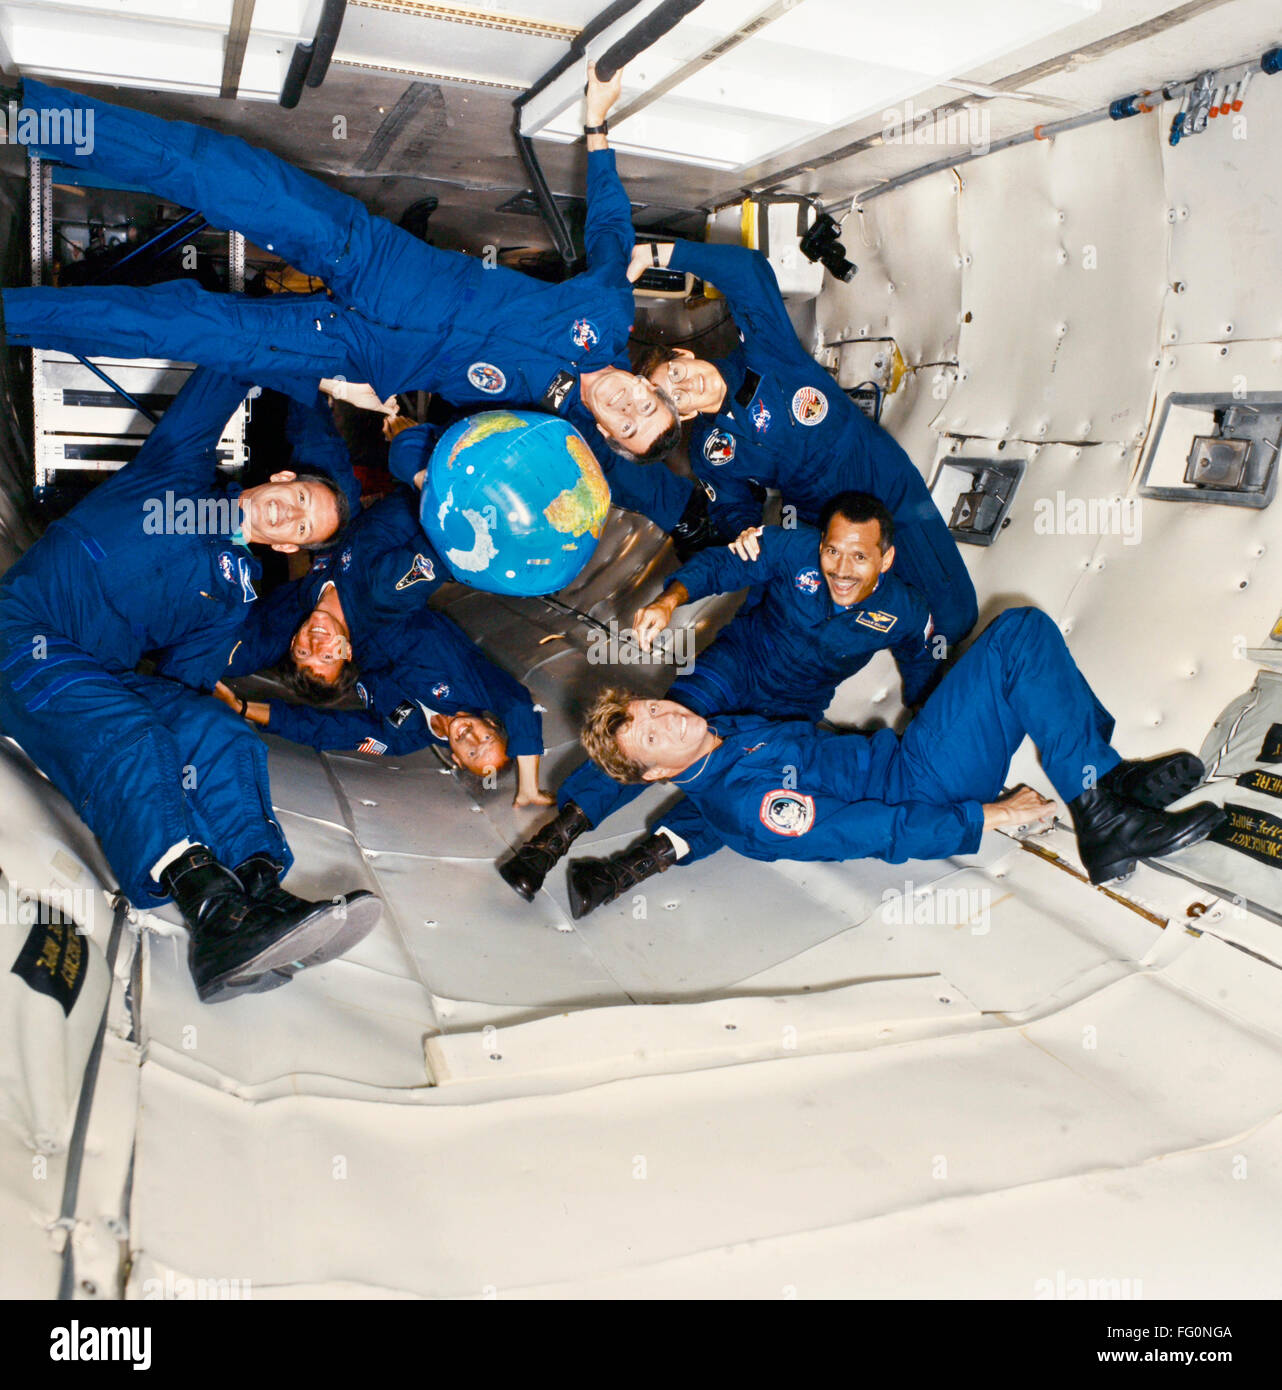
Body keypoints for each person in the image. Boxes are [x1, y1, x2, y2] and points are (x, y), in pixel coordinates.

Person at [1, 68, 685, 483]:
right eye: (648, 406)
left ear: (609, 439)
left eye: (629, 428)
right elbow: (611, 233)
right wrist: (598, 124)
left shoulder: (540, 438)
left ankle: (10, 316)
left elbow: (432, 457)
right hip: (384, 265)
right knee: (222, 172)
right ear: (653, 387)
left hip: (350, 352)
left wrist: (399, 442)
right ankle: (26, 114)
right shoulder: (610, 314)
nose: (631, 409)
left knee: (177, 328)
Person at [0, 369, 380, 1003]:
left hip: (95, 677)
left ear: (290, 547)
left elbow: (182, 691)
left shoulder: (234, 593)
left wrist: (193, 740)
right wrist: (316, 354)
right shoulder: (178, 478)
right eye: (300, 501)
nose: (289, 519)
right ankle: (208, 906)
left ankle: (258, 889)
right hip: (21, 639)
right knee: (132, 729)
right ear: (282, 479)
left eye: (302, 532)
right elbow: (232, 357)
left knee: (218, 731)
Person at [500, 492, 942, 916]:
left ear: (886, 559)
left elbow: (922, 660)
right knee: (653, 736)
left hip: (793, 706)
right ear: (821, 543)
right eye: (832, 552)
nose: (841, 570)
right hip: (737, 666)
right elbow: (722, 566)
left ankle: (624, 872)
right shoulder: (790, 548)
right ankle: (552, 841)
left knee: (742, 791)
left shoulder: (904, 610)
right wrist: (669, 600)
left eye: (860, 558)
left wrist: (926, 719)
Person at [577, 606, 1218, 888]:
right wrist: (991, 816)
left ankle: (1109, 783)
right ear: (655, 772)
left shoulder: (721, 741)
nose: (668, 717)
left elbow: (713, 806)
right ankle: (1103, 816)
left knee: (1024, 641)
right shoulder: (746, 803)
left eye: (654, 707)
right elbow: (867, 832)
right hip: (921, 789)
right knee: (1017, 636)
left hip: (909, 763)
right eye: (654, 735)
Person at [628, 239, 979, 657]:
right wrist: (743, 528)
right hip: (822, 518)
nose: (688, 387)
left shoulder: (765, 352)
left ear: (684, 353)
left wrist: (659, 254)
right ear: (681, 417)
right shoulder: (710, 448)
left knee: (955, 616)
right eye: (677, 398)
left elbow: (748, 272)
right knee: (885, 614)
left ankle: (954, 658)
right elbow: (731, 505)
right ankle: (927, 672)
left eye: (678, 373)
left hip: (879, 481)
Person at [217, 605, 551, 807]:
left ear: (457, 760)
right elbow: (519, 704)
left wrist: (242, 707)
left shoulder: (402, 737)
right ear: (492, 725)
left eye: (474, 753)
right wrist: (529, 786)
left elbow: (326, 730)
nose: (473, 740)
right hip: (373, 600)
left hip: (324, 641)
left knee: (233, 656)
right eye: (487, 739)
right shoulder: (477, 686)